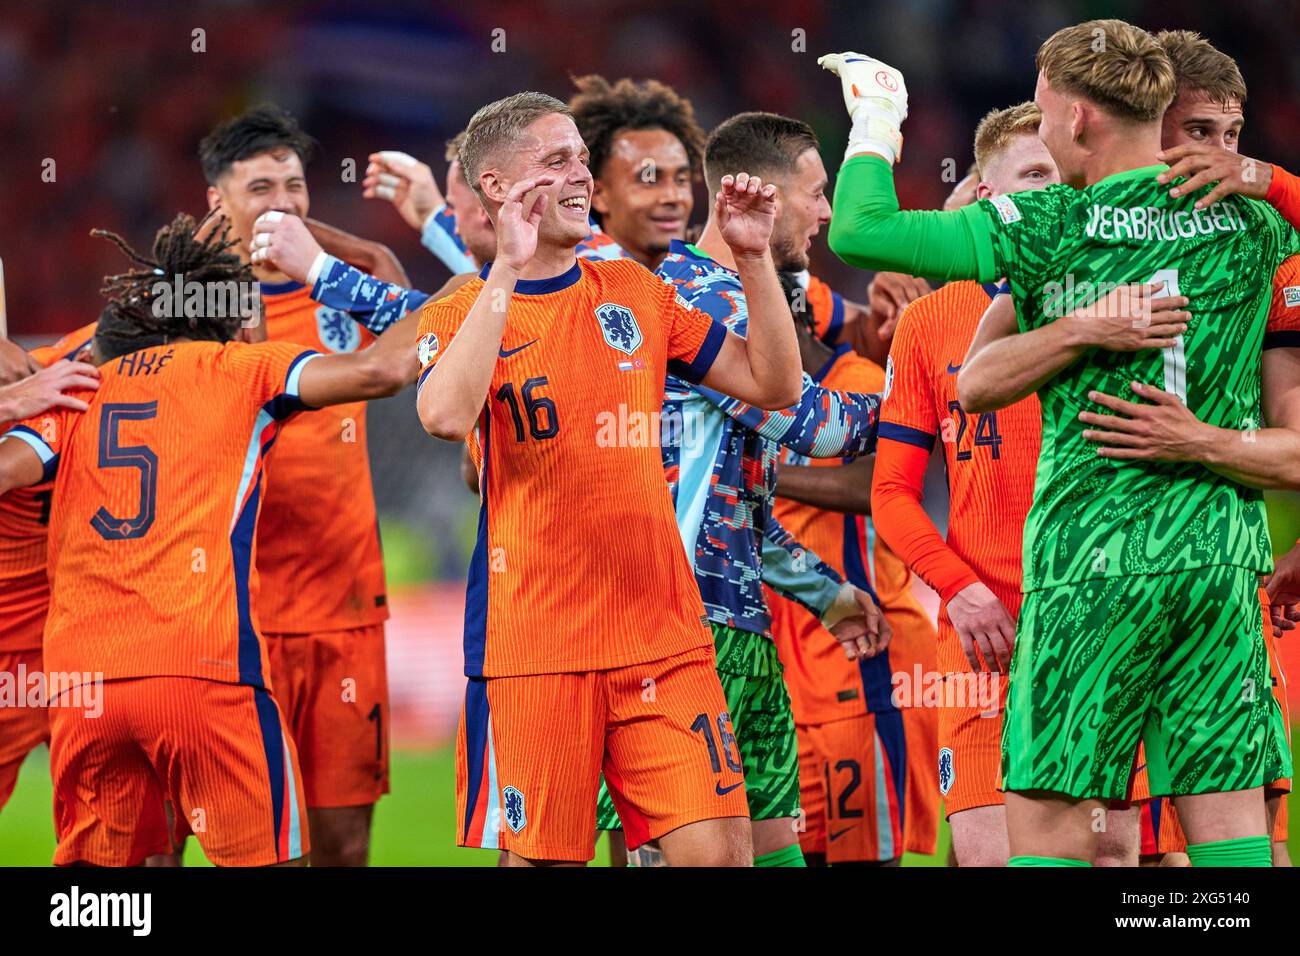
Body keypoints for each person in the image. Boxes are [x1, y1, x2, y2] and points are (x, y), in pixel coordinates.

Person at [823, 19, 1296, 866]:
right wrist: (1264, 176)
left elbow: (859, 231)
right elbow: (974, 381)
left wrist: (876, 119)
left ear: (1077, 120)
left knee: (1046, 829)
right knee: (1226, 835)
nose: (1038, 130)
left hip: (1091, 563)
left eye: (1041, 115)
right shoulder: (1255, 230)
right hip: (1220, 562)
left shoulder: (1052, 225)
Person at [415, 91, 882, 866]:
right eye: (556, 160)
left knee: (724, 856)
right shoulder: (464, 308)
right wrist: (506, 263)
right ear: (497, 187)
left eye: (579, 158)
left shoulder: (638, 292)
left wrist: (757, 258)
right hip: (541, 648)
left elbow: (773, 386)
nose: (579, 176)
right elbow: (442, 415)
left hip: (667, 641)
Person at [0, 212, 418, 866]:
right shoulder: (241, 369)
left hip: (83, 686)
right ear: (225, 313)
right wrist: (468, 292)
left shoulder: (74, 390)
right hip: (203, 670)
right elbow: (385, 370)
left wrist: (7, 406)